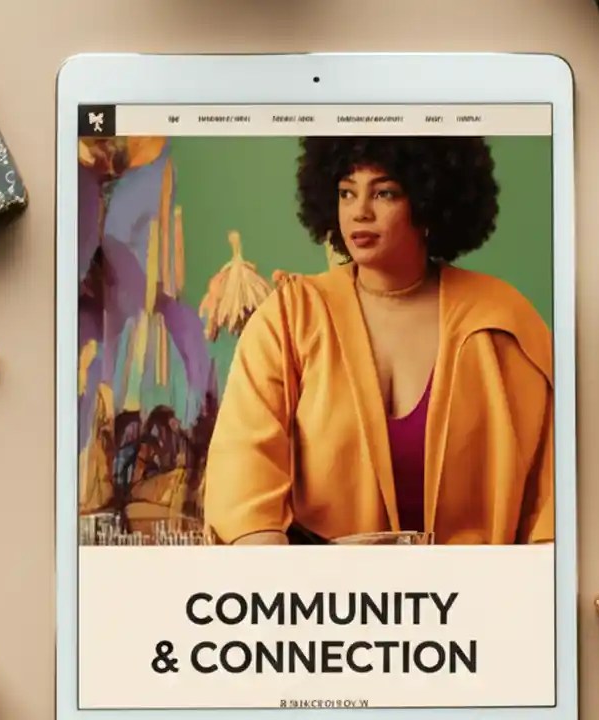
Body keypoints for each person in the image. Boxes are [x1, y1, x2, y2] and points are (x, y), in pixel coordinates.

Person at [202, 136, 554, 546]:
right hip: (323, 586)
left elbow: (553, 502)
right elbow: (242, 478)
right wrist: (276, 573)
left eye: (384, 193)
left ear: (427, 199)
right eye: (346, 193)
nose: (360, 212)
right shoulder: (290, 317)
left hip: (477, 583)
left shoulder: (502, 322)